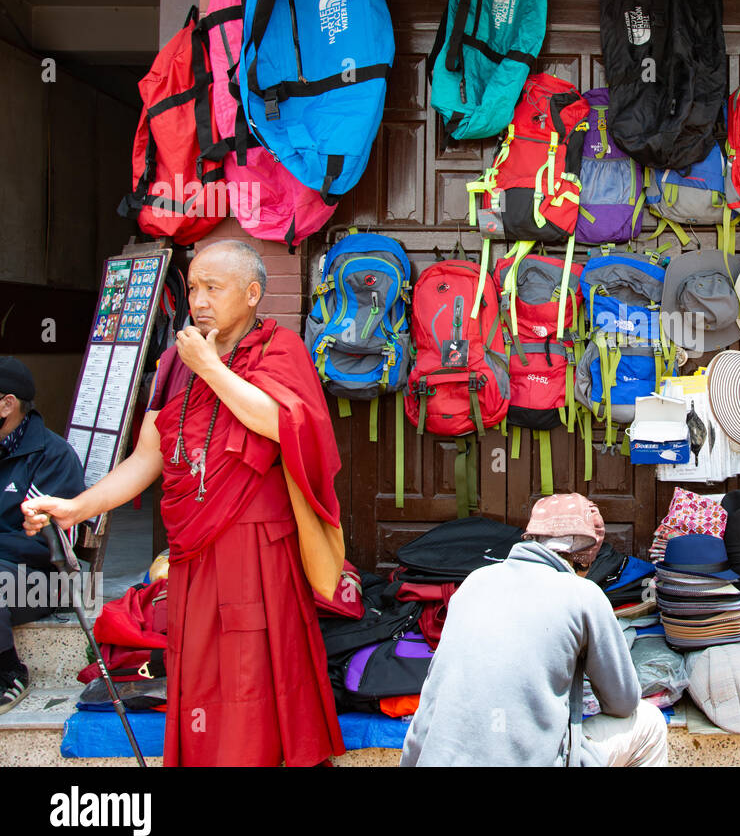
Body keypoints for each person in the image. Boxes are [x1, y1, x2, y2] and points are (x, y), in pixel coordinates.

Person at [23, 240, 345, 766]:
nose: (199, 300)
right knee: (200, 669)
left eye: (213, 288)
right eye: (193, 287)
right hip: (193, 551)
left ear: (253, 294)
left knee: (255, 670)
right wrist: (77, 507)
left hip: (256, 547)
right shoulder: (175, 362)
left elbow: (282, 423)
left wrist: (211, 367)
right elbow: (147, 458)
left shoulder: (278, 349)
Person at [400, 493, 669, 767]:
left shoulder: (473, 583)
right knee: (649, 723)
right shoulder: (583, 594)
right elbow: (623, 703)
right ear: (587, 557)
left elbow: (428, 707)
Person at [0, 357, 85, 713]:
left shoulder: (51, 456)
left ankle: (7, 671)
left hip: (41, 579)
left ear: (7, 404)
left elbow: (45, 543)